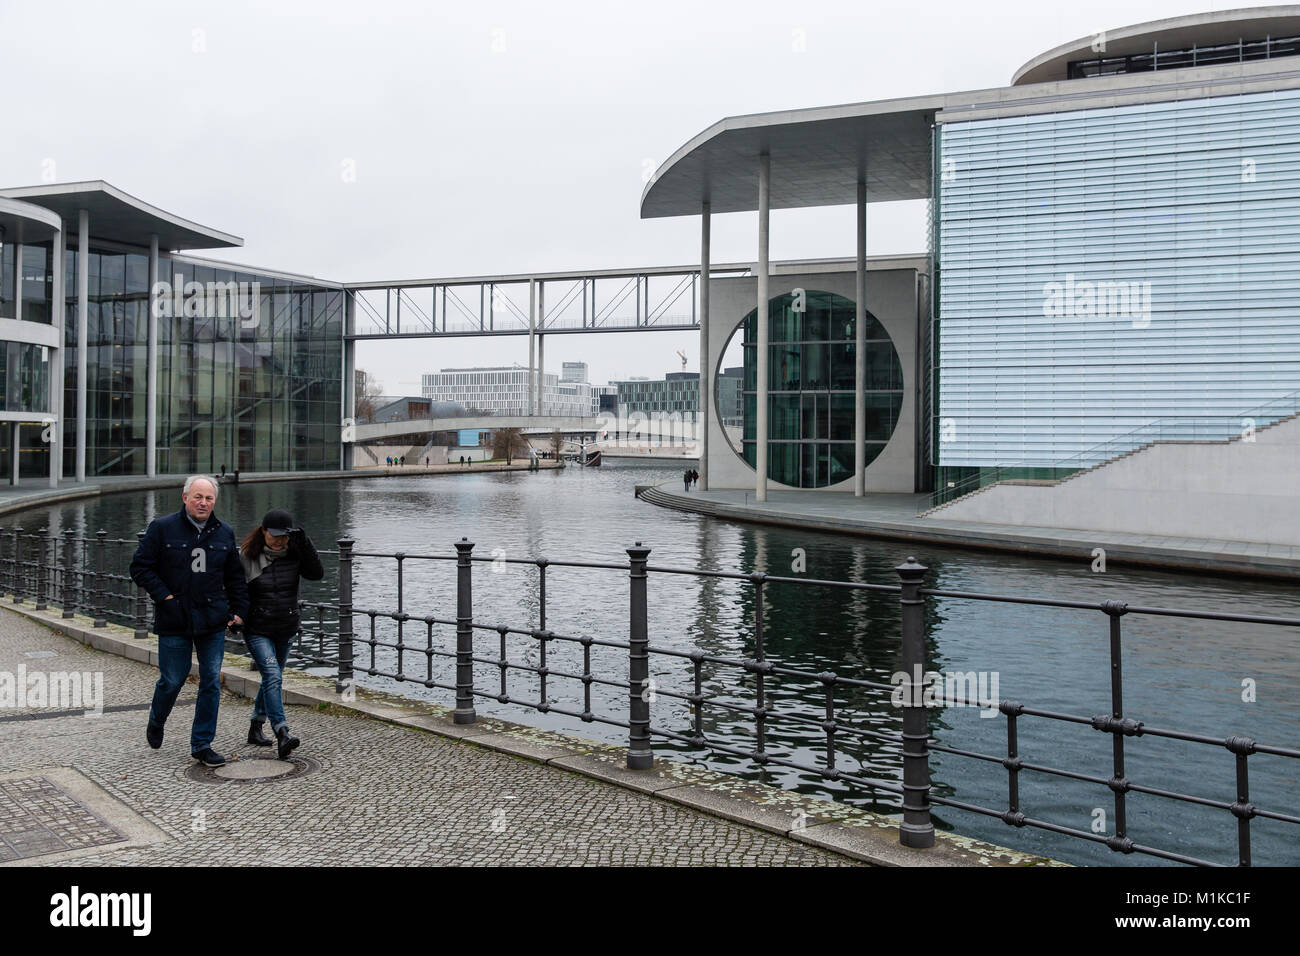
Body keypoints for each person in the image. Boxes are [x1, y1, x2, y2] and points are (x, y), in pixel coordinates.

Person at [129, 476, 248, 767]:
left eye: (208, 498)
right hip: (175, 617)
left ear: (214, 502)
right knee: (172, 680)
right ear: (185, 498)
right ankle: (157, 720)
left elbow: (235, 577)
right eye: (198, 497)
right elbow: (140, 568)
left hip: (212, 619)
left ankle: (202, 744)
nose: (203, 503)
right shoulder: (162, 528)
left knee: (211, 682)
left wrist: (239, 610)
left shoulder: (224, 533)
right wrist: (165, 598)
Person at [239, 508, 324, 759]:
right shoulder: (246, 557)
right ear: (263, 531)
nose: (279, 541)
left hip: (285, 626)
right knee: (273, 676)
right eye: (274, 535)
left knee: (271, 679)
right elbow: (235, 590)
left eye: (284, 536)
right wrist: (235, 617)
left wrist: (305, 544)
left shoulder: (295, 554)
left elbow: (317, 574)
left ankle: (256, 726)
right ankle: (282, 732)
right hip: (257, 628)